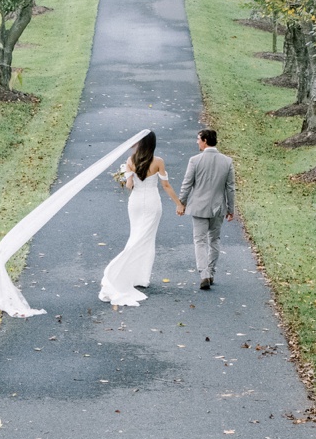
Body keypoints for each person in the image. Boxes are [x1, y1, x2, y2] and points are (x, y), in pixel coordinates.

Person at [99, 131, 184, 307]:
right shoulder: (158, 161)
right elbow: (166, 185)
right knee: (146, 239)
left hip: (135, 203)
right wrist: (179, 203)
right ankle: (136, 276)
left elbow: (130, 186)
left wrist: (126, 176)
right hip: (152, 203)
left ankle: (133, 275)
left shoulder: (130, 161)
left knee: (136, 235)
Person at [177, 128, 235, 290]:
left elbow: (187, 184)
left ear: (204, 141)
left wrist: (181, 202)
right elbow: (230, 188)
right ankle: (211, 272)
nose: (197, 142)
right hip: (218, 207)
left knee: (200, 240)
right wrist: (231, 209)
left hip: (199, 207)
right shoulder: (227, 161)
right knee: (214, 240)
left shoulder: (195, 160)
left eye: (198, 139)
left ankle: (204, 273)